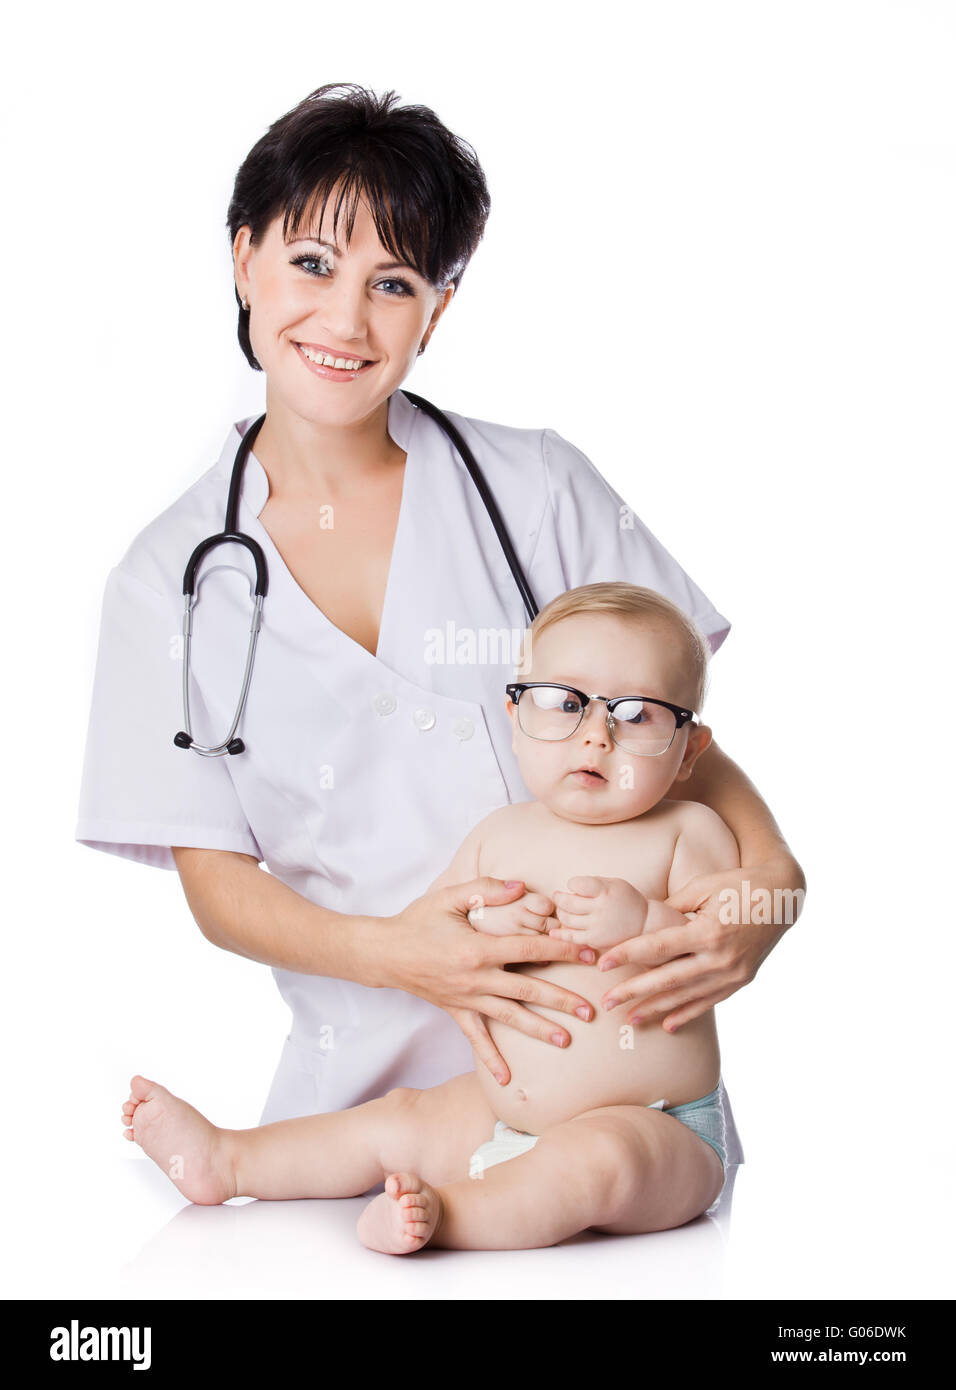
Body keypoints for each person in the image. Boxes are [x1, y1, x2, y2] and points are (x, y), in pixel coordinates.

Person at [77, 82, 804, 1178]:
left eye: (394, 283)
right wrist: (402, 956)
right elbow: (218, 885)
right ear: (243, 261)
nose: (345, 321)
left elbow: (673, 736)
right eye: (311, 264)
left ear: (438, 306)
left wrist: (766, 882)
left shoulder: (539, 489)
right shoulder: (164, 582)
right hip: (346, 1126)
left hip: (608, 1094)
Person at [121, 584, 747, 1252]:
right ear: (514, 718)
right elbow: (434, 934)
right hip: (503, 1113)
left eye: (638, 713)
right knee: (401, 1116)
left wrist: (647, 921)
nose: (597, 733)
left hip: (659, 1127)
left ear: (689, 750)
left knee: (598, 1161)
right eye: (566, 703)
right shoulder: (498, 835)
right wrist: (489, 929)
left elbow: (720, 947)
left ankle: (448, 1215)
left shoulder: (688, 832)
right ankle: (229, 1159)